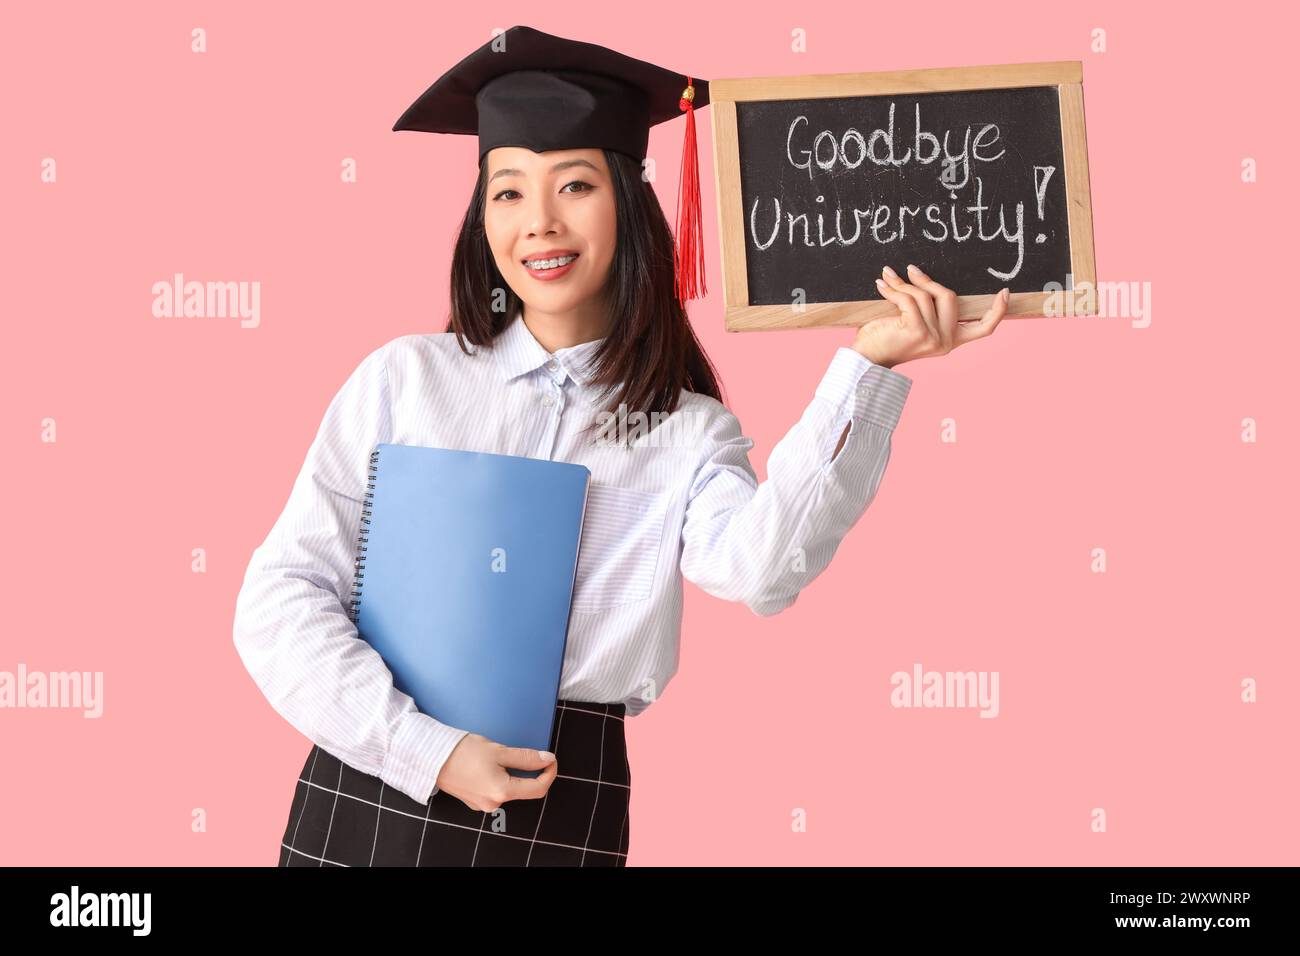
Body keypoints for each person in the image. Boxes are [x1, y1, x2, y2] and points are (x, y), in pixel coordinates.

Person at [232, 25, 1007, 868]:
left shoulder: (684, 428)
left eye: (574, 185)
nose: (540, 224)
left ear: (630, 202)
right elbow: (281, 596)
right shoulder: (404, 382)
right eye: (508, 193)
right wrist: (427, 750)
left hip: (563, 794)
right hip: (374, 770)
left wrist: (868, 369)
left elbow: (762, 570)